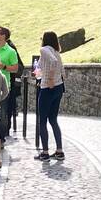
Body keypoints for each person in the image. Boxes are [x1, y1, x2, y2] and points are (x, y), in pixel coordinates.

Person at [35, 31, 65, 161]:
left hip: (48, 88)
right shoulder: (57, 52)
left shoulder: (44, 50)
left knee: (42, 121)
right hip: (59, 88)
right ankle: (59, 151)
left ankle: (45, 152)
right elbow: (62, 70)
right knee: (53, 119)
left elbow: (52, 62)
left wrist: (51, 79)